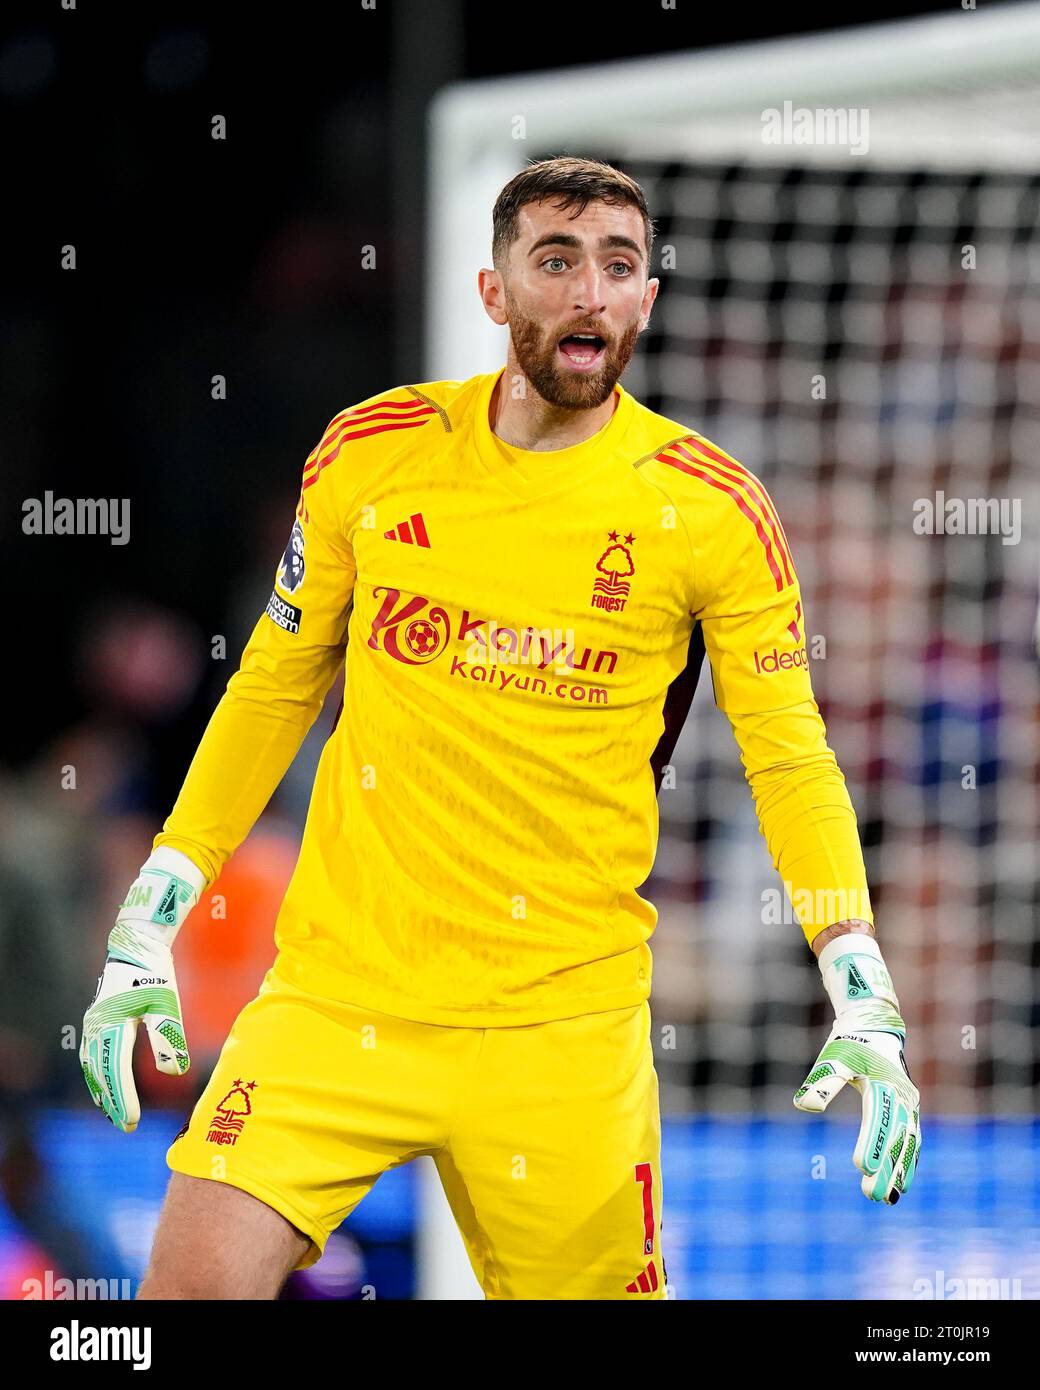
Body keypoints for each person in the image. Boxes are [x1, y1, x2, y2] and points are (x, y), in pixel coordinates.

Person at [80, 156, 920, 1301]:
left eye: (617, 266)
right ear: (492, 292)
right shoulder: (372, 453)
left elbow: (788, 752)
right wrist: (153, 907)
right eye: (556, 260)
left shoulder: (709, 510)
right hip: (342, 998)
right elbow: (272, 686)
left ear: (645, 301)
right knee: (184, 1292)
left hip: (560, 1025)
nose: (588, 291)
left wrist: (854, 969)